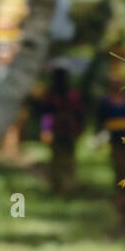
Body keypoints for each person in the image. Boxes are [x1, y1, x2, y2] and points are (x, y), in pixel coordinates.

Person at [97, 60, 125, 231]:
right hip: (115, 138)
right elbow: (101, 119)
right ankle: (121, 194)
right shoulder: (105, 101)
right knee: (118, 165)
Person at [38, 65, 85, 193]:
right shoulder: (51, 95)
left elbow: (79, 114)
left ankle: (68, 186)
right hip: (58, 130)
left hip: (68, 130)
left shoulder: (72, 95)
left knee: (67, 159)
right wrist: (46, 129)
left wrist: (79, 129)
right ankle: (59, 187)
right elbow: (46, 113)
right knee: (58, 159)